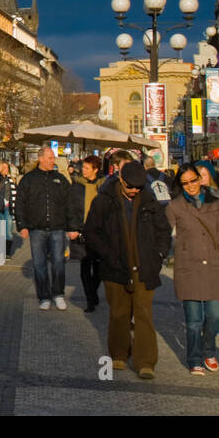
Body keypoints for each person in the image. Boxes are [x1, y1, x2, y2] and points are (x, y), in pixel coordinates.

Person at [84, 161, 171, 379]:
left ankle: (145, 361)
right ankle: (119, 354)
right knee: (119, 313)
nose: (134, 191)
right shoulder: (104, 200)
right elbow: (91, 232)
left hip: (145, 266)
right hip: (115, 266)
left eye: (139, 187)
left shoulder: (150, 201)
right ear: (121, 180)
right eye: (130, 186)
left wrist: (159, 255)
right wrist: (108, 255)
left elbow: (164, 231)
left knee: (144, 315)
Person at [168, 163, 219, 375]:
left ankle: (208, 351)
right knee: (193, 321)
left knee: (215, 315)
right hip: (188, 267)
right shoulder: (175, 206)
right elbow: (163, 235)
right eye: (185, 183)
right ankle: (195, 358)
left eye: (193, 180)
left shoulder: (215, 204)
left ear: (200, 179)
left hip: (215, 266)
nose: (190, 186)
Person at [15, 146, 82, 311]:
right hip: (36, 229)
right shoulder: (29, 179)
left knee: (58, 263)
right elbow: (20, 204)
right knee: (39, 264)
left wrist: (73, 227)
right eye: (51, 158)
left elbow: (70, 204)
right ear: (41, 159)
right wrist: (22, 225)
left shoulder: (60, 179)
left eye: (54, 158)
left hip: (57, 228)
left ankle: (58, 294)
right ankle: (44, 296)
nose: (54, 161)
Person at [72, 155, 104, 312]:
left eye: (86, 168)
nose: (82, 170)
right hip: (81, 230)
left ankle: (93, 291)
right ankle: (90, 299)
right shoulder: (76, 185)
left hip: (99, 232)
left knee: (98, 269)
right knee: (84, 267)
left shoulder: (103, 185)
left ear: (95, 170)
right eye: (82, 167)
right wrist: (72, 228)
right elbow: (70, 208)